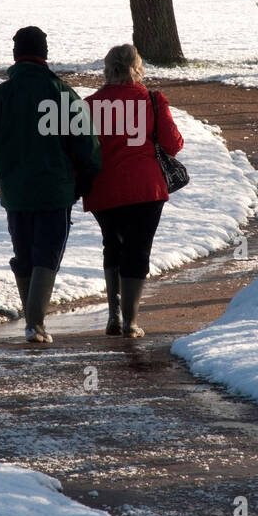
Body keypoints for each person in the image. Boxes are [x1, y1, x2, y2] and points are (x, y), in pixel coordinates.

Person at [0, 26, 101, 343]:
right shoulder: (62, 93)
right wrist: (84, 181)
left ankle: (33, 323)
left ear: (16, 55)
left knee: (24, 254)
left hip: (15, 191)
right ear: (44, 54)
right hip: (55, 190)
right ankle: (35, 324)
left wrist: (1, 163)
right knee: (48, 254)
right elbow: (87, 146)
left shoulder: (3, 94)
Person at [81, 44, 184, 338]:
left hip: (104, 190)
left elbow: (80, 151)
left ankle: (114, 314)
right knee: (138, 249)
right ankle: (130, 321)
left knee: (112, 245)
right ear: (137, 67)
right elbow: (173, 144)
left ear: (107, 68)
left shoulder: (90, 105)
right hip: (145, 189)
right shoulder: (152, 101)